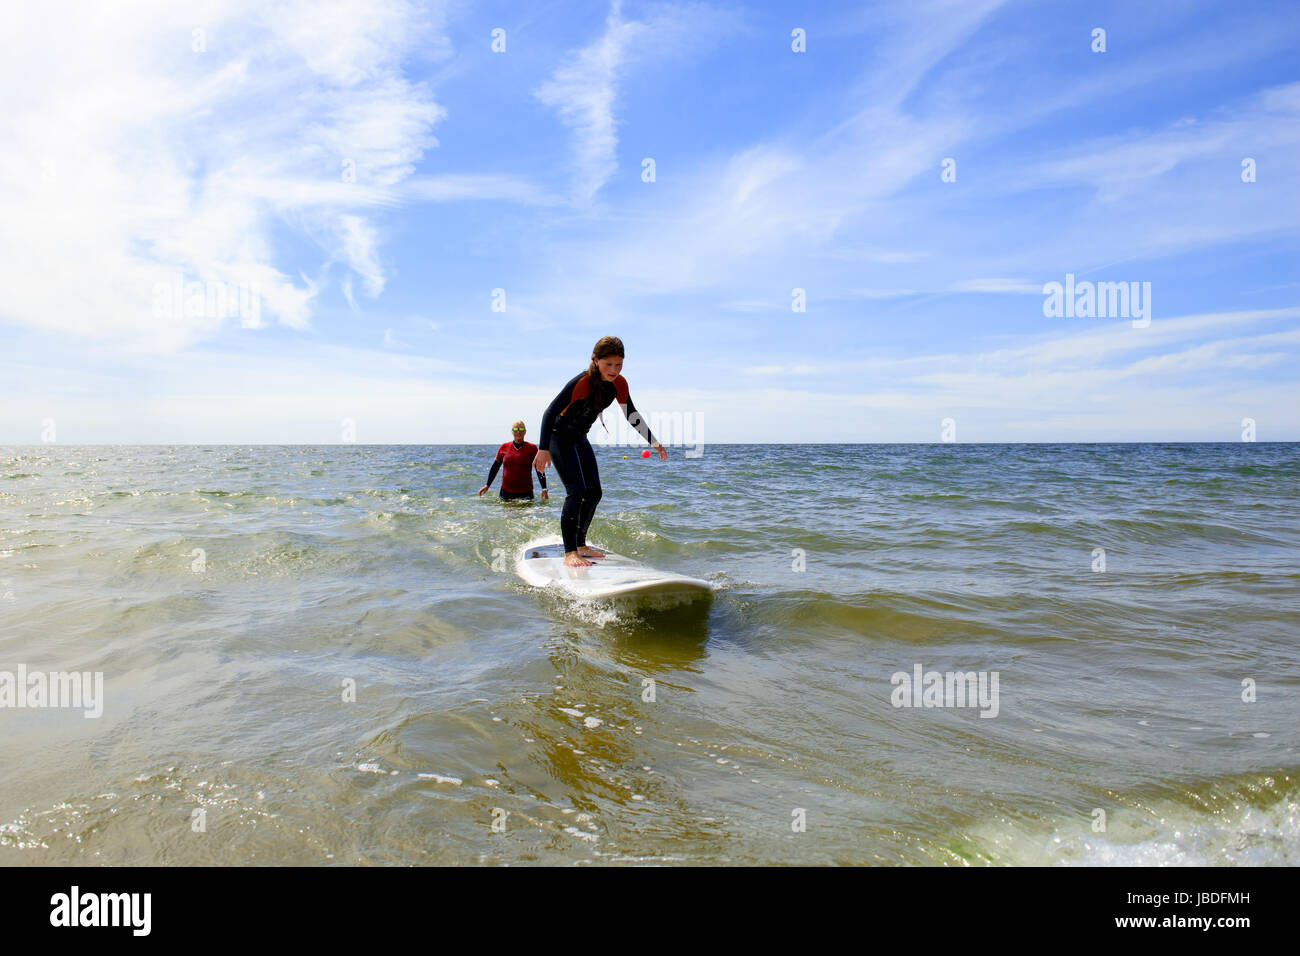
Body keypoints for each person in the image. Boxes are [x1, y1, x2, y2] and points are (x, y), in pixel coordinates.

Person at [534, 336, 666, 567]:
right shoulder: (582, 382)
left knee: (594, 492)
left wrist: (652, 441)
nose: (614, 370)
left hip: (579, 438)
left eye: (619, 364)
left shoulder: (620, 384)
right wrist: (543, 449)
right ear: (595, 361)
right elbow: (549, 412)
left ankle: (581, 544)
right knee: (576, 491)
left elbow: (631, 414)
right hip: (558, 436)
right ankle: (569, 552)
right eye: (608, 364)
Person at [479, 420, 549, 502]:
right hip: (506, 493)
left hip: (526, 493)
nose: (518, 432)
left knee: (527, 515)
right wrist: (487, 485)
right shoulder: (504, 447)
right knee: (506, 514)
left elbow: (539, 469)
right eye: (516, 429)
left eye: (521, 429)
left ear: (525, 432)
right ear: (512, 432)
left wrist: (544, 488)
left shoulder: (532, 448)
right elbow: (495, 467)